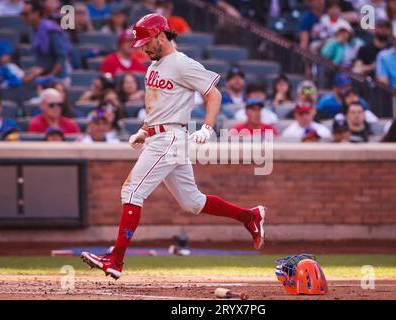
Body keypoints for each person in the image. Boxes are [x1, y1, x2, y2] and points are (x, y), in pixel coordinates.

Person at [80, 14, 266, 280]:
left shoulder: (182, 63)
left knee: (131, 191)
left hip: (170, 139)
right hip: (159, 136)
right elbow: (158, 107)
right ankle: (249, 217)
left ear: (161, 35)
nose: (143, 48)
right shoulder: (153, 67)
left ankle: (115, 260)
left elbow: (214, 94)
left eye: (146, 42)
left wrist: (207, 127)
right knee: (193, 202)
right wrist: (144, 131)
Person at [22, 0, 72, 84]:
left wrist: (50, 77)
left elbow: (62, 56)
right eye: (22, 14)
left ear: (37, 13)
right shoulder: (32, 30)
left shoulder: (51, 30)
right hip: (43, 75)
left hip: (59, 79)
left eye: (26, 14)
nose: (24, 17)